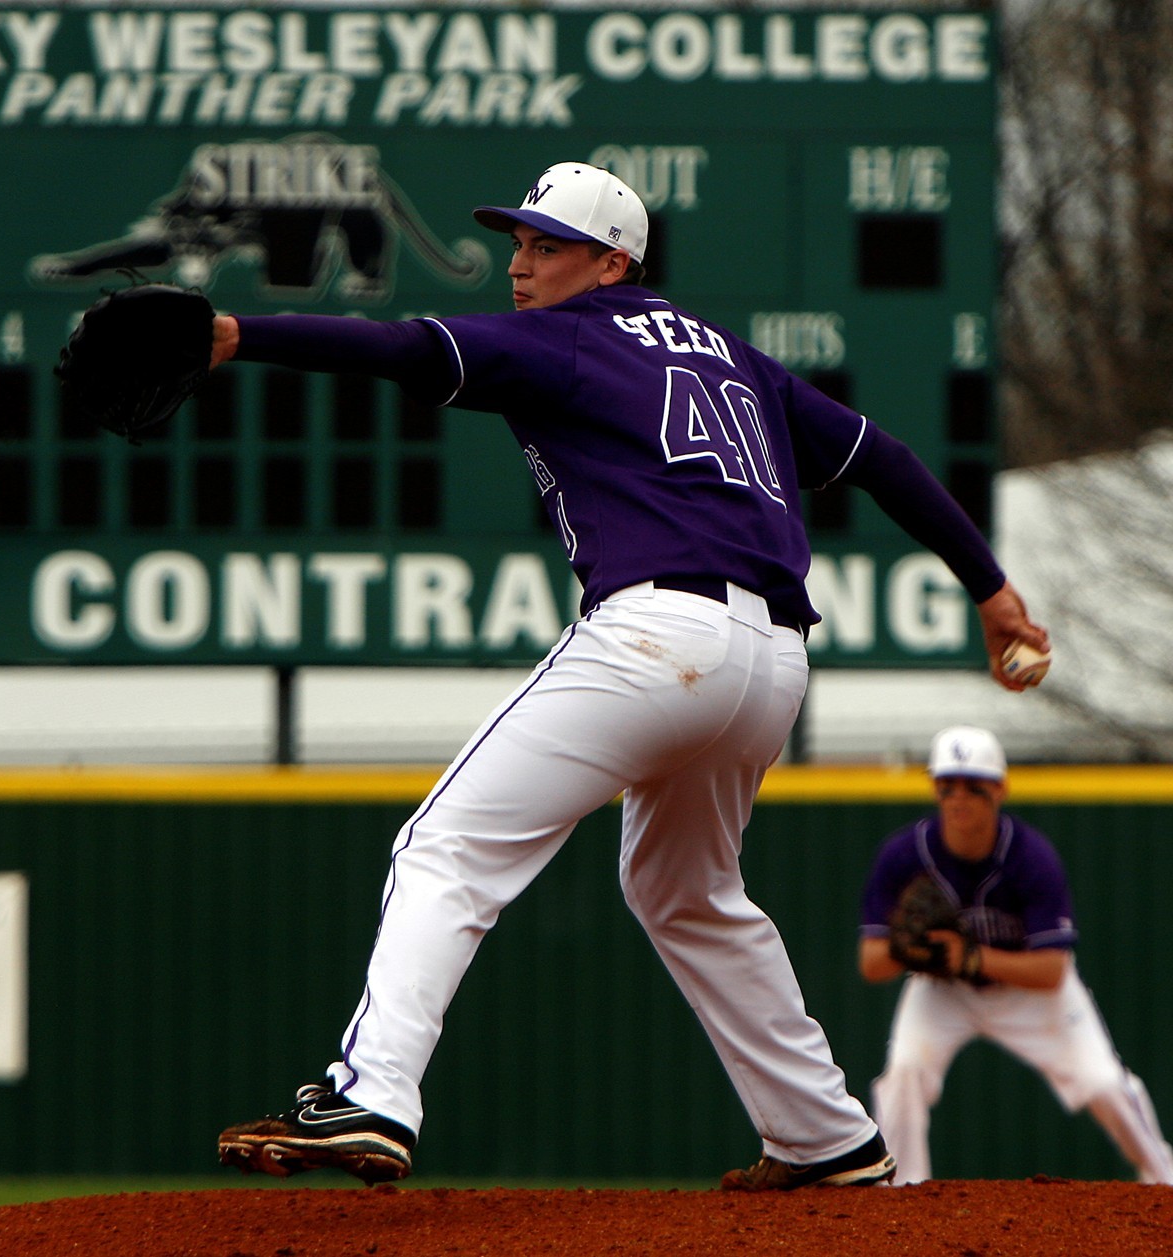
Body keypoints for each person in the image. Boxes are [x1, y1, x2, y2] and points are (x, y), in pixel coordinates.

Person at [211, 162, 1049, 1190]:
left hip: (658, 636)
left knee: (446, 847)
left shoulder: (571, 333)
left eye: (546, 247)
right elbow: (882, 457)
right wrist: (991, 587)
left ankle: (372, 1091)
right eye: (518, 244)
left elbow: (399, 349)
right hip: (774, 664)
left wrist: (242, 334)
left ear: (612, 261)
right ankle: (826, 1136)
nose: (520, 266)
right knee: (685, 889)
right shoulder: (736, 358)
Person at [860, 725, 1173, 1185]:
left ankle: (1164, 1180)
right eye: (947, 785)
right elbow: (872, 965)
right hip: (945, 991)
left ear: (1000, 789)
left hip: (1032, 994)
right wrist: (913, 950)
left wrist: (970, 958)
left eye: (973, 786)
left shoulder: (1030, 858)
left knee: (1104, 1084)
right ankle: (899, 1200)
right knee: (904, 1073)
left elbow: (1051, 970)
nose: (958, 797)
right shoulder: (905, 855)